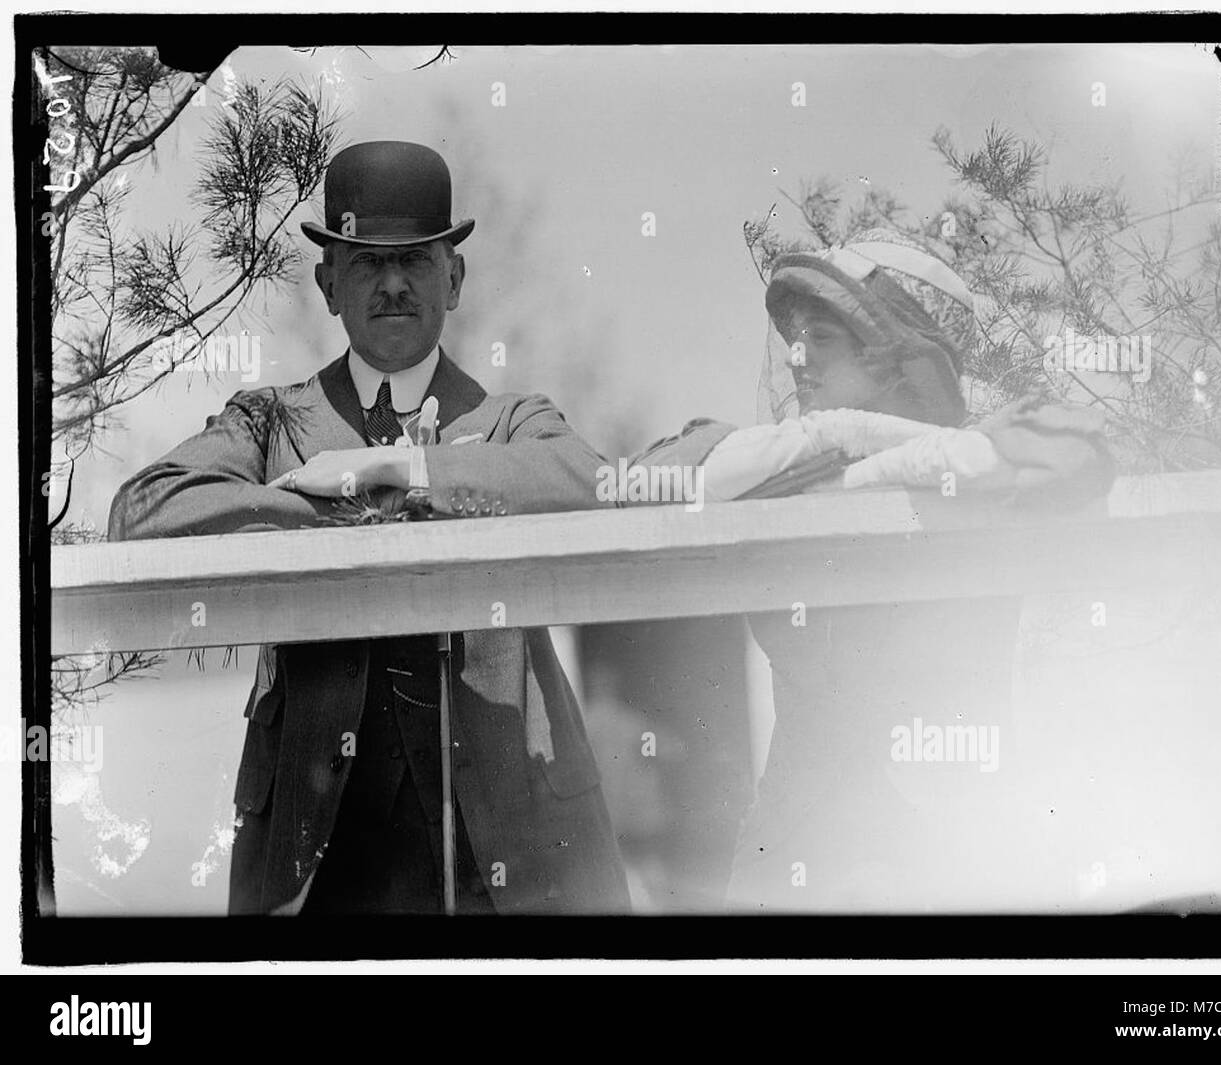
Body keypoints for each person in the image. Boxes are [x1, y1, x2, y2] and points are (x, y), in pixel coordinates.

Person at [108, 141, 630, 916]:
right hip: (316, 862)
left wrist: (412, 475)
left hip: (506, 851)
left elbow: (593, 485)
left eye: (416, 260)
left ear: (454, 278)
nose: (391, 283)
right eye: (363, 263)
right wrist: (328, 505)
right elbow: (142, 510)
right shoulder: (271, 422)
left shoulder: (510, 421)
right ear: (327, 284)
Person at [625, 229, 1113, 911]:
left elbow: (1074, 454)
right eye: (794, 339)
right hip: (797, 854)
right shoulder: (782, 466)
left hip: (955, 853)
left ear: (902, 360)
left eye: (823, 338)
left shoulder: (978, 468)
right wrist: (828, 440)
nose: (797, 360)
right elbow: (647, 477)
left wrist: (883, 450)